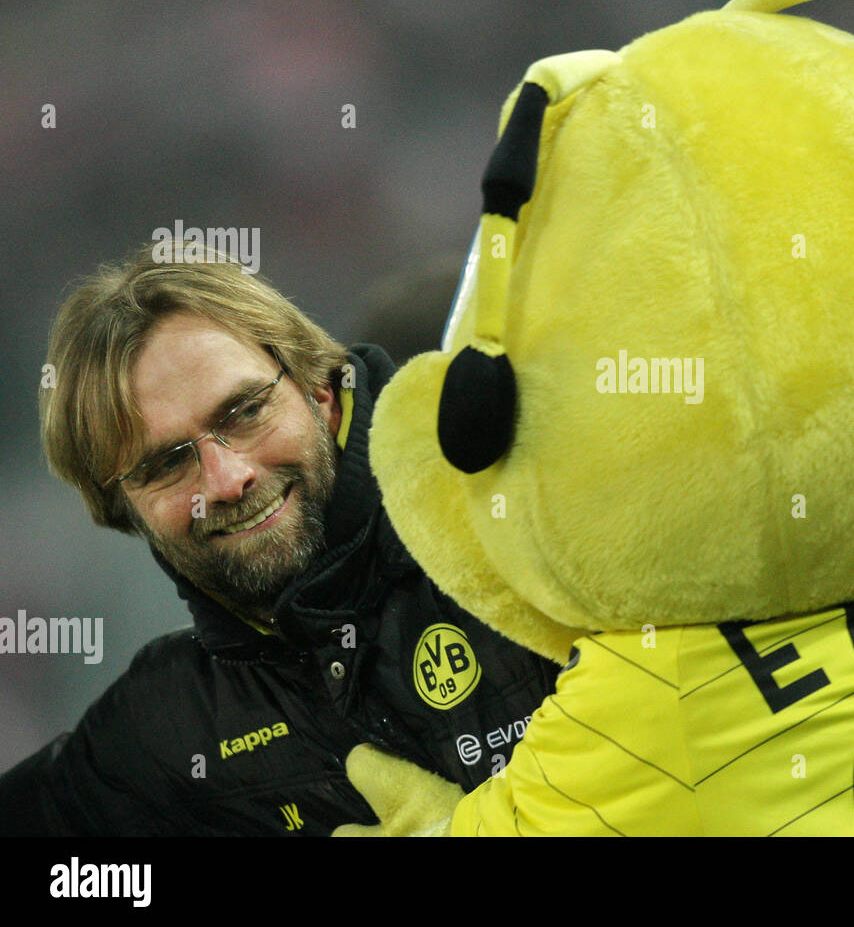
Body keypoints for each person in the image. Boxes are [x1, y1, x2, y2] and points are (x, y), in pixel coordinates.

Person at [0, 246, 558, 835]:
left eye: (244, 412)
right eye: (166, 465)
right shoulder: (165, 732)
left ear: (318, 386)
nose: (227, 479)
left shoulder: (526, 511)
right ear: (123, 510)